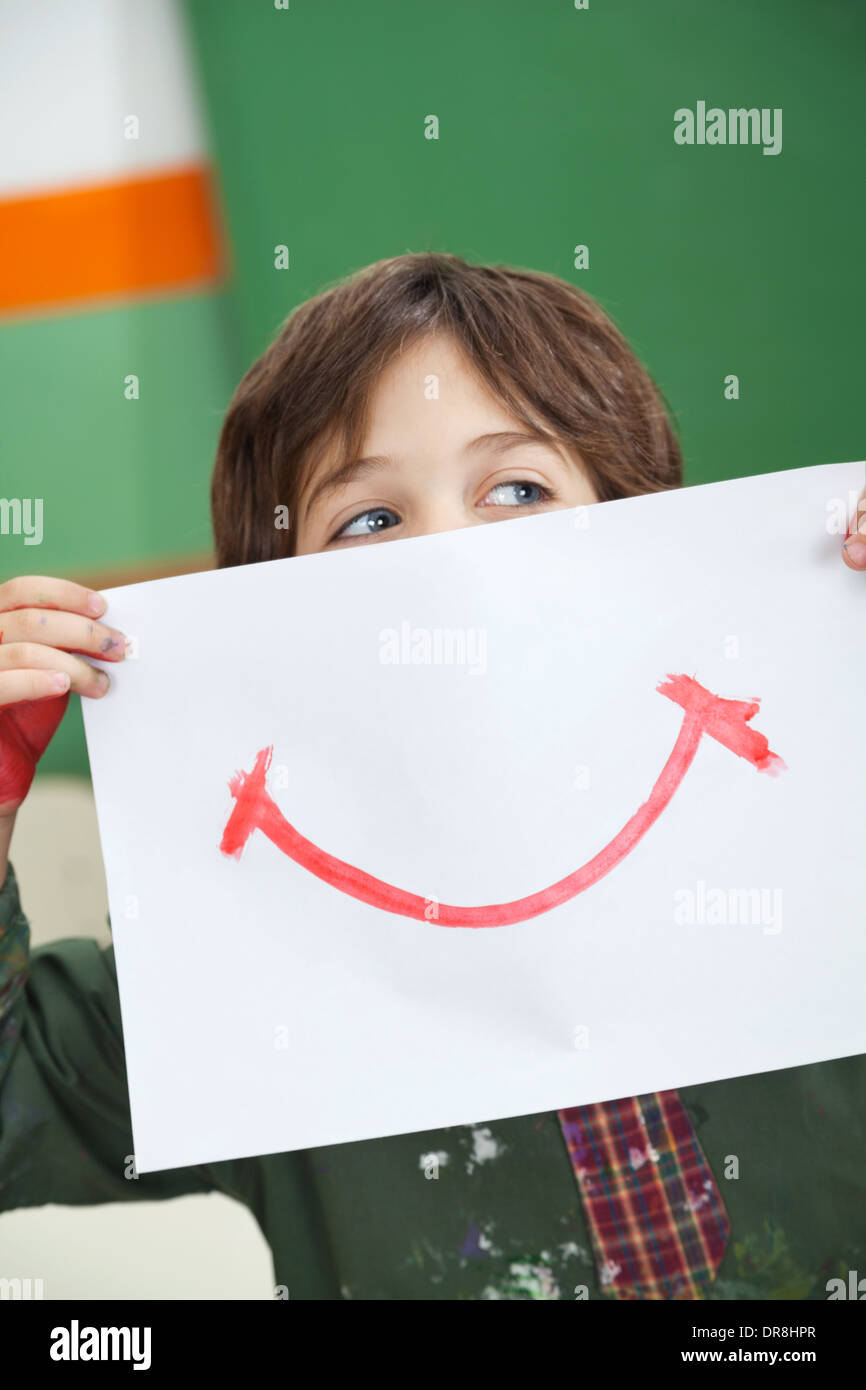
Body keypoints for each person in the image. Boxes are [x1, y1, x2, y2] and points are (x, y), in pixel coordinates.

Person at [1, 254, 864, 1300]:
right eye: (368, 520)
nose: (449, 562)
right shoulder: (230, 974)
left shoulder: (822, 844)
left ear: (650, 536)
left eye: (518, 488)